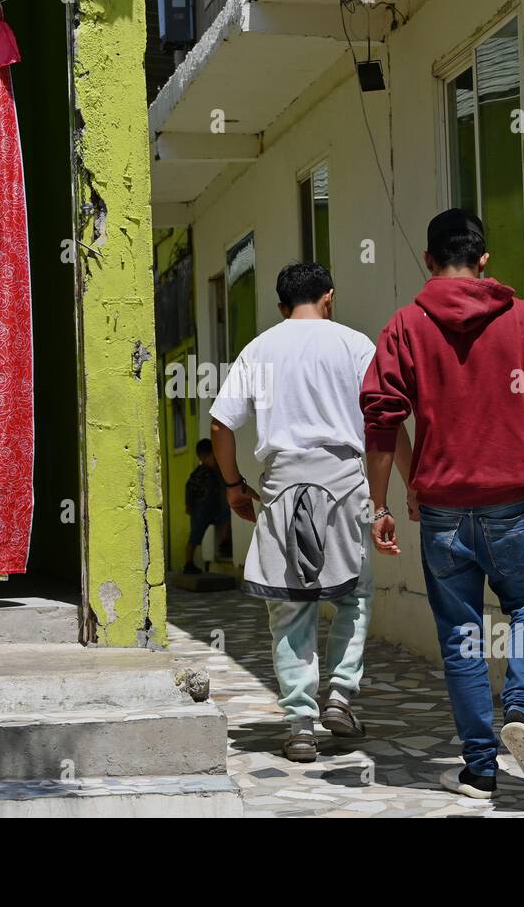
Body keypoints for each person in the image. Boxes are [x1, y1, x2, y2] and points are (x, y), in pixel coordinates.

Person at [360, 208, 524, 799]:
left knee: (462, 633)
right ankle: (520, 705)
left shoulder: (405, 327)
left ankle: (480, 767)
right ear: (484, 260)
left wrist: (380, 504)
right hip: (513, 505)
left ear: (429, 261)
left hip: (440, 513)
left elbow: (382, 421)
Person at [210, 261, 412, 763]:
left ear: (282, 306)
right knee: (355, 595)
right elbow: (384, 424)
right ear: (329, 297)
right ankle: (341, 694)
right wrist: (412, 486)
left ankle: (300, 724)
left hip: (281, 488)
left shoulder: (258, 350)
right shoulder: (355, 344)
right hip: (345, 485)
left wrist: (234, 485)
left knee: (290, 607)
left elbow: (221, 425)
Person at [182, 439, 231, 575]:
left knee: (226, 518)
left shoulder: (218, 470)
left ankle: (224, 543)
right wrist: (189, 504)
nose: (215, 459)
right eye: (212, 456)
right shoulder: (198, 473)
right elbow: (189, 488)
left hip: (216, 507)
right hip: (200, 510)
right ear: (203, 458)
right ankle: (189, 563)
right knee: (195, 536)